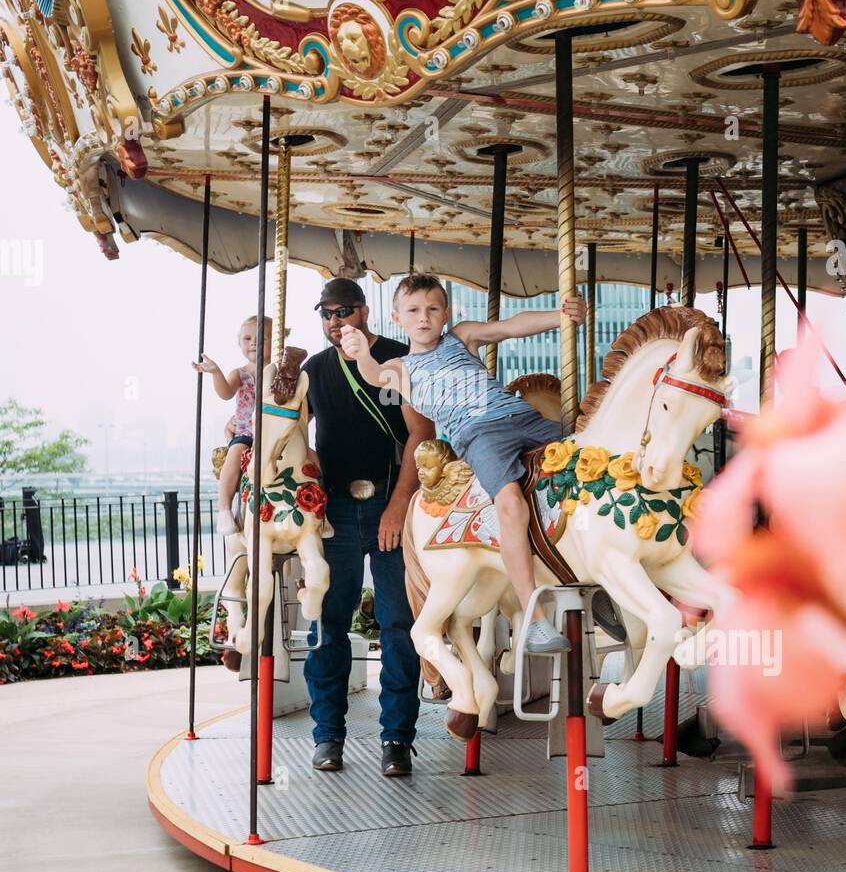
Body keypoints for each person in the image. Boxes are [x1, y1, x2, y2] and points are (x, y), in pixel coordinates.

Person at [341, 273, 587, 653]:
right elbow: (374, 375)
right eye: (413, 310)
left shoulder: (461, 336)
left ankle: (593, 569)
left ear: (446, 314)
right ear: (396, 318)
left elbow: (510, 327)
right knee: (509, 503)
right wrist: (359, 352)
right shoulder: (400, 368)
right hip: (479, 436)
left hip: (522, 418)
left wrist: (561, 316)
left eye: (432, 309)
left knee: (591, 459)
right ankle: (534, 618)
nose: (424, 317)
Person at [302, 279, 436, 778]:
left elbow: (421, 435)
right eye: (326, 314)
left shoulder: (399, 359)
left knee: (397, 624)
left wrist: (398, 506)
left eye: (342, 311)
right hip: (334, 510)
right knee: (327, 624)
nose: (334, 321)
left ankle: (398, 738)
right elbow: (293, 430)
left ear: (363, 312)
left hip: (388, 504)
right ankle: (327, 736)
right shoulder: (315, 368)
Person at [192, 316, 272, 535]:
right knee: (235, 452)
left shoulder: (280, 374)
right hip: (248, 432)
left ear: (274, 341)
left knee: (309, 456)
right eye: (247, 338)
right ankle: (224, 509)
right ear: (240, 344)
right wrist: (216, 372)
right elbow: (226, 393)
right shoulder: (240, 374)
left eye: (261, 338)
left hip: (276, 433)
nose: (254, 343)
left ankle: (319, 512)